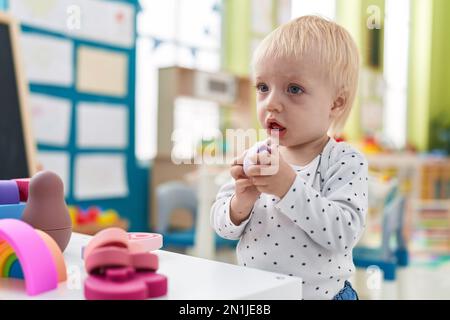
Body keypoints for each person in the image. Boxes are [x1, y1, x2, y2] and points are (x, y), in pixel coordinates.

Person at [210, 15, 368, 300]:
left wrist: (288, 187)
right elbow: (223, 227)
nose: (271, 102)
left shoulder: (343, 160)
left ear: (336, 102)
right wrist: (239, 204)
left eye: (294, 89)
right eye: (263, 87)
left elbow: (344, 233)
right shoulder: (257, 155)